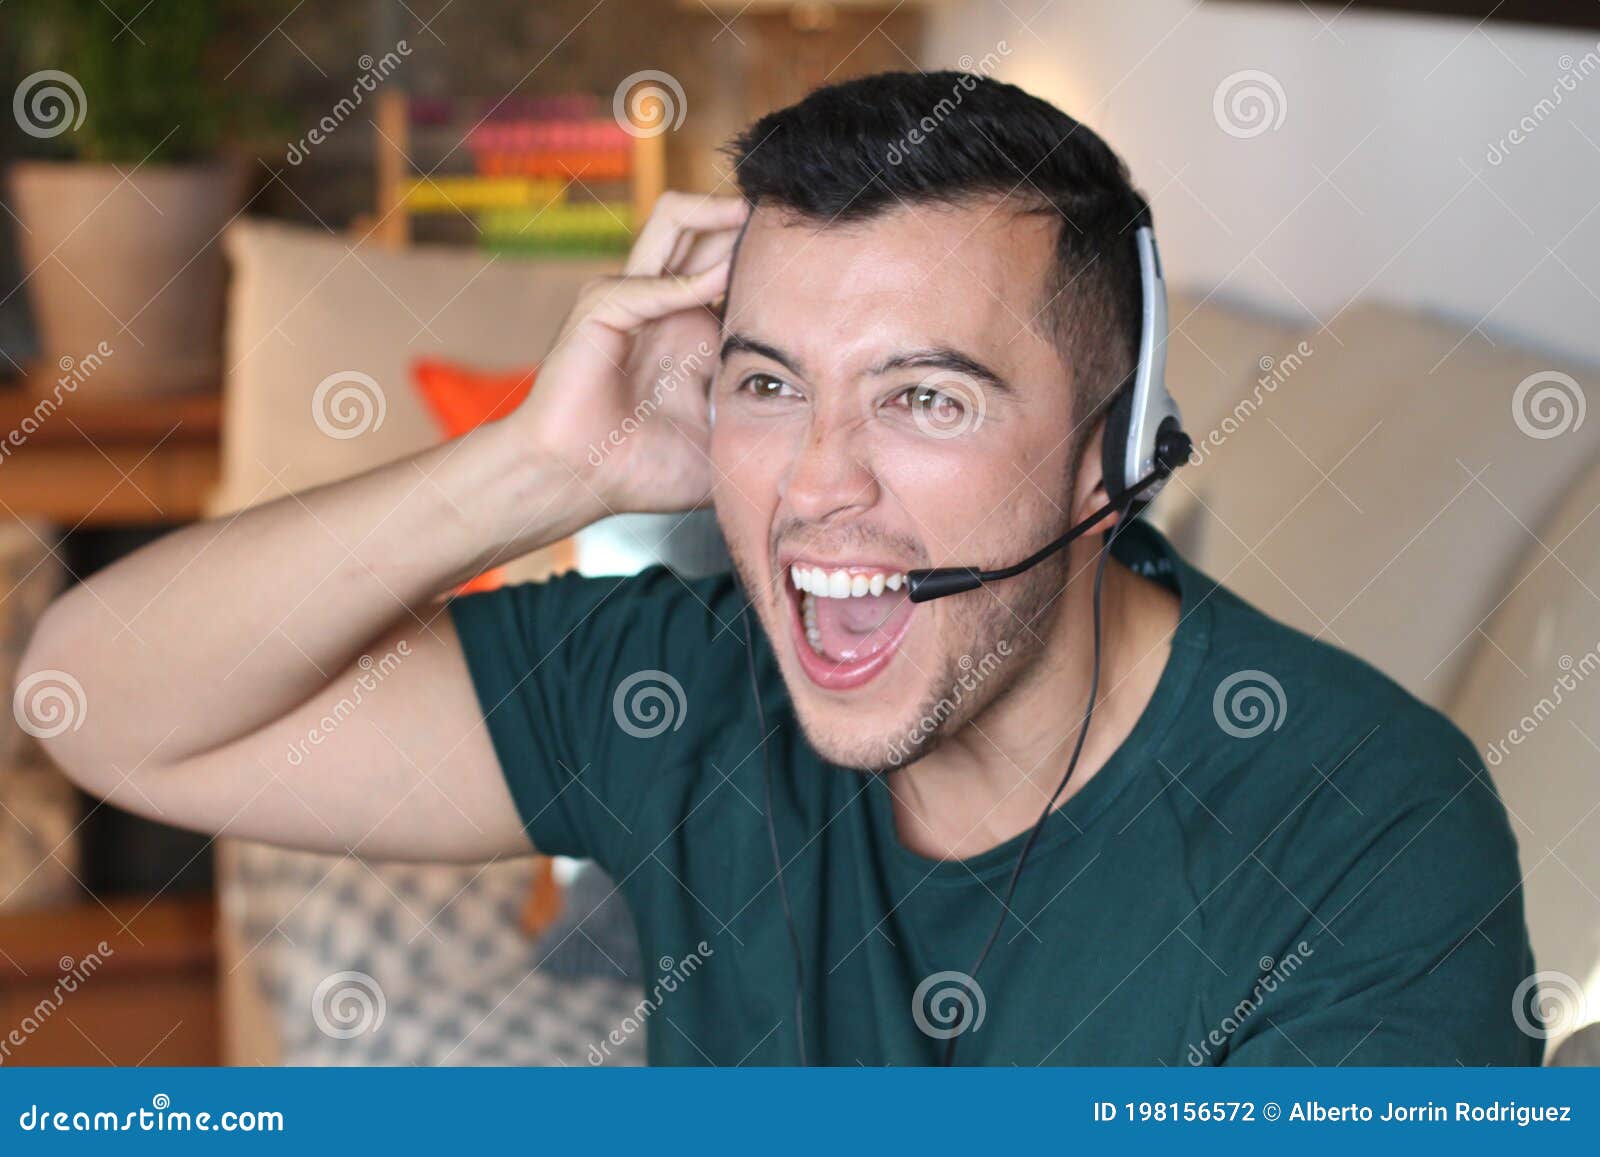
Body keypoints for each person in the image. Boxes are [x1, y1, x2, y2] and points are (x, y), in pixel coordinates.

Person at [20, 71, 1539, 1066]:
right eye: (767, 383)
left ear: (1115, 450)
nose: (819, 485)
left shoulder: (1362, 831)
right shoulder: (682, 687)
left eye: (923, 396)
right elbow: (96, 697)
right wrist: (535, 471)